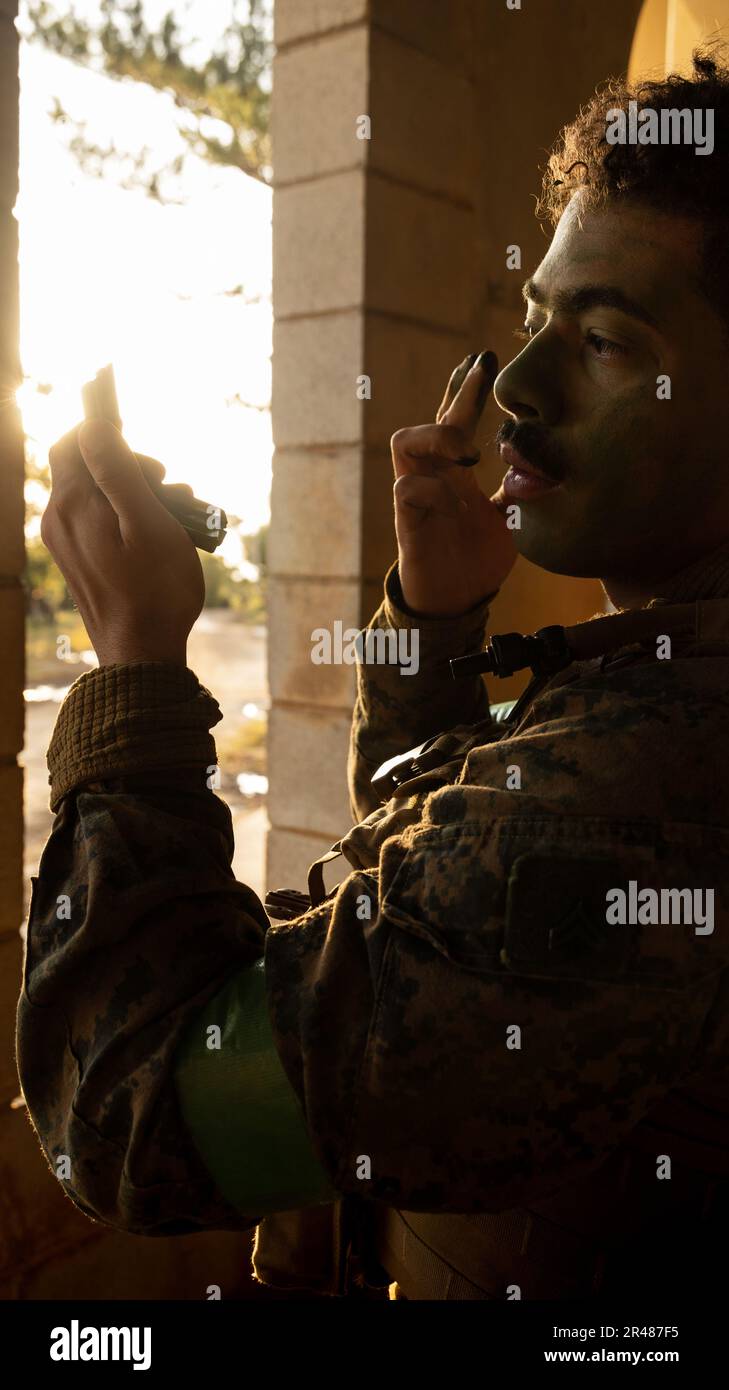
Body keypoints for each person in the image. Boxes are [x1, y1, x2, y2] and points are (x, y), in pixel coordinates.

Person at [16, 49, 729, 1300]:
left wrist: (132, 671)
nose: (513, 386)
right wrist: (436, 628)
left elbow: (124, 1112)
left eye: (605, 338)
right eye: (532, 324)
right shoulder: (651, 685)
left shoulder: (655, 780)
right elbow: (430, 891)